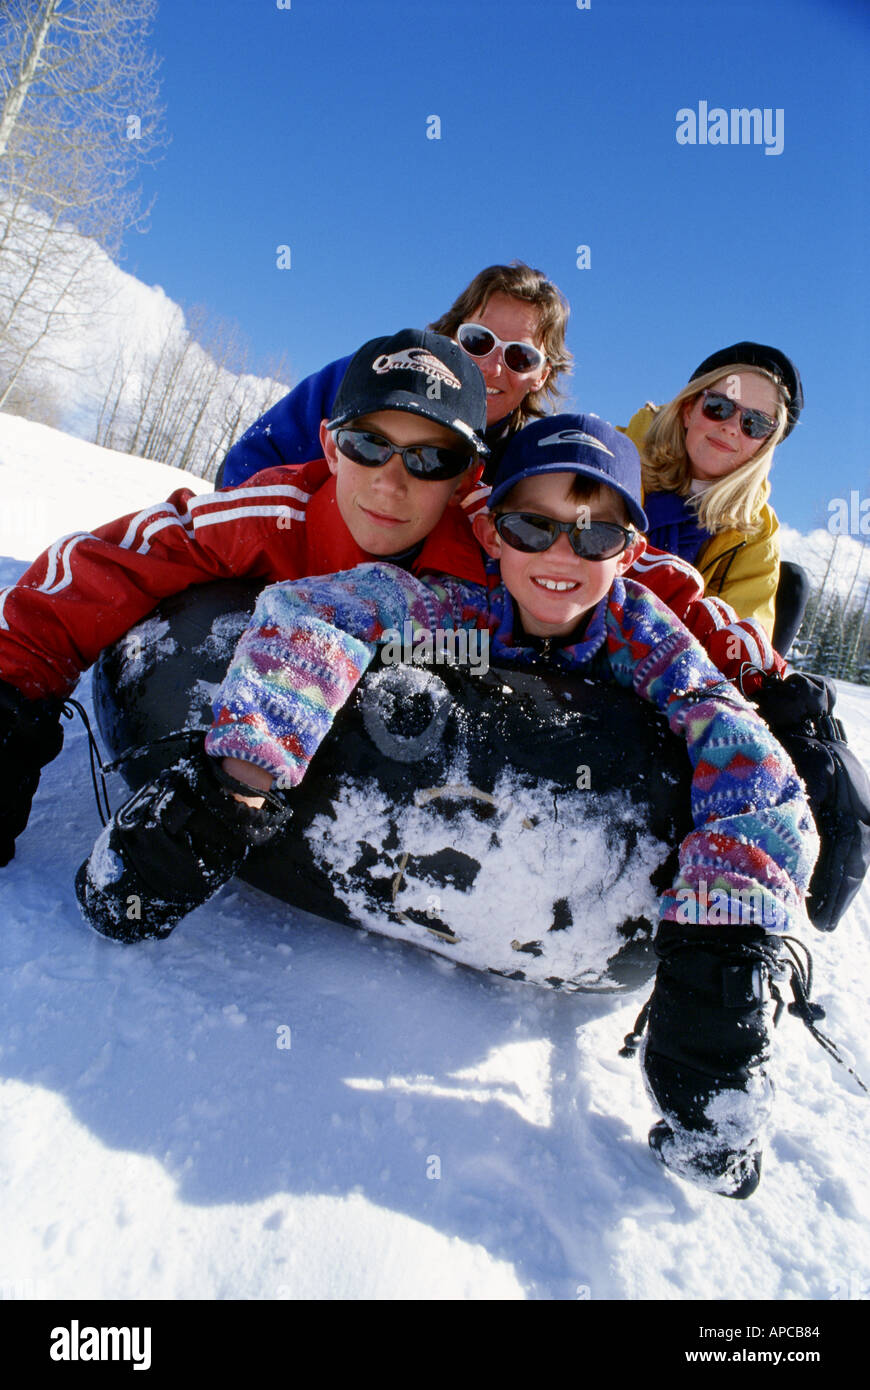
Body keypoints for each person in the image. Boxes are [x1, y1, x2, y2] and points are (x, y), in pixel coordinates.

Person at [75, 414, 820, 1200]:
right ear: (493, 534)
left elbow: (745, 753)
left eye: (595, 536)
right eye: (531, 528)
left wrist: (722, 951)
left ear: (630, 553)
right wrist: (237, 783)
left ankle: (711, 1093)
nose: (561, 557)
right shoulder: (465, 617)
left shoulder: (643, 639)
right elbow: (325, 611)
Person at [0, 328, 490, 863]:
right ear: (331, 448)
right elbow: (112, 562)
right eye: (367, 445)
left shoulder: (493, 564)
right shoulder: (275, 515)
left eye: (430, 460)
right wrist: (13, 688)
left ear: (466, 480)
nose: (390, 484)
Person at [215, 261, 572, 488]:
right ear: (452, 333)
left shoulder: (530, 466)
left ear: (542, 374)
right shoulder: (370, 378)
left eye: (520, 357)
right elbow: (250, 467)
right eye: (478, 341)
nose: (492, 367)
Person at [625, 342, 804, 640]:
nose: (732, 427)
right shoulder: (610, 460)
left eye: (755, 424)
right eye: (719, 407)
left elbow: (737, 639)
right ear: (688, 409)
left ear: (764, 445)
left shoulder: (755, 532)